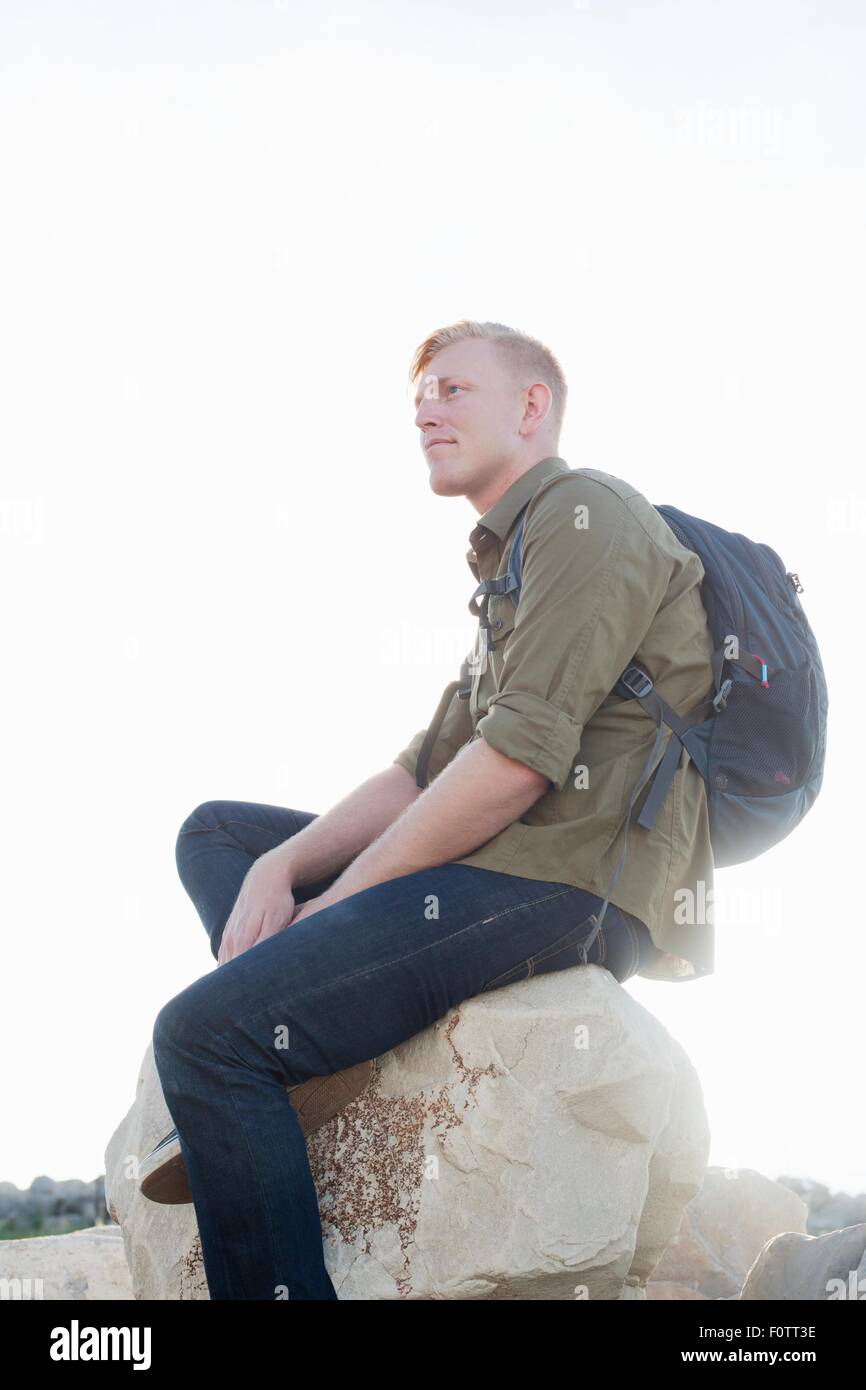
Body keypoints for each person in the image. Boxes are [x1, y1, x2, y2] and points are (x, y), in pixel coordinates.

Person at [149, 318, 715, 1301]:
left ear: (531, 407)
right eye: (418, 396)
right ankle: (309, 1046)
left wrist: (331, 914)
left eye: (452, 389)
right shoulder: (511, 562)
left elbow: (511, 769)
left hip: (568, 878)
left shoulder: (589, 519)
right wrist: (278, 872)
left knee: (204, 1035)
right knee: (221, 835)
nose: (424, 409)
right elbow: (421, 773)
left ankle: (269, 1051)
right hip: (497, 863)